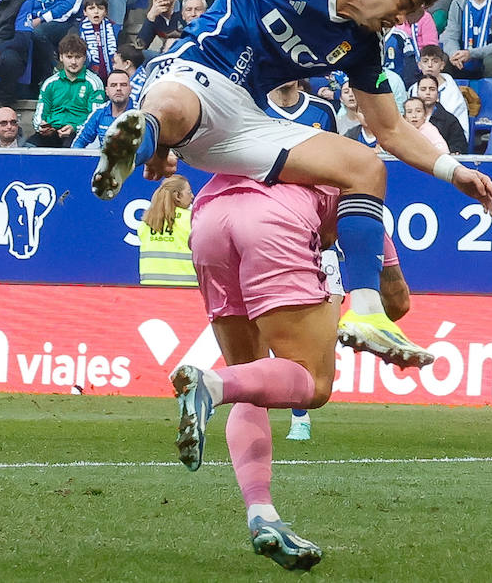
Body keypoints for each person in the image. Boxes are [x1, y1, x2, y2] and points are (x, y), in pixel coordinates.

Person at [44, 0, 492, 366]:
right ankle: (140, 135)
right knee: (173, 106)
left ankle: (366, 313)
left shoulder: (364, 45)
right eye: (404, 5)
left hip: (247, 122)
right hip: (197, 71)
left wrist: (453, 170)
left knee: (366, 167)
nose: (402, 20)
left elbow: (390, 129)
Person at [164, 167, 413, 570]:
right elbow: (397, 301)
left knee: (250, 379)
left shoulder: (262, 146)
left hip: (208, 218)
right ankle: (211, 385)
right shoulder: (352, 176)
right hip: (277, 225)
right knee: (313, 381)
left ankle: (262, 515)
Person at [137, 173, 197, 287]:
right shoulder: (191, 219)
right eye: (189, 192)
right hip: (186, 288)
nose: (192, 196)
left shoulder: (146, 222)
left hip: (149, 287)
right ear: (177, 196)